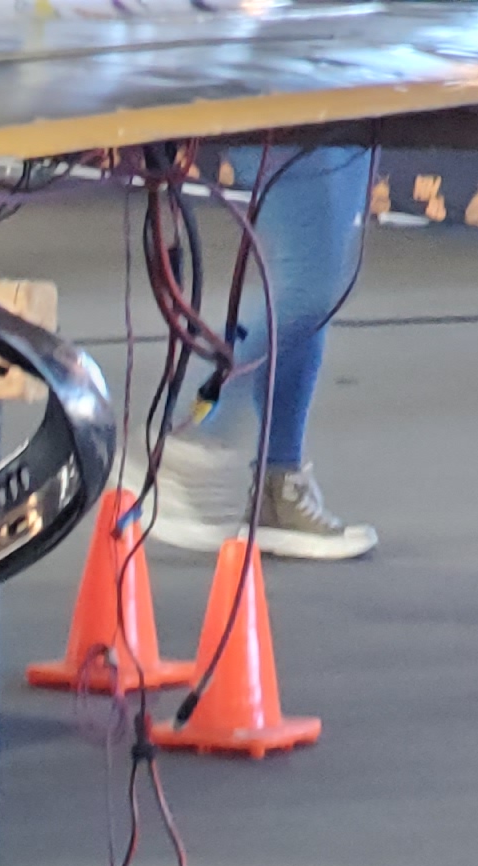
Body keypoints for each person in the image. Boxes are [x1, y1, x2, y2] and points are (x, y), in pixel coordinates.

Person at [150, 144, 380, 562]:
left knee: (316, 287)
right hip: (284, 97)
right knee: (310, 286)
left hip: (358, 98)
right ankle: (191, 446)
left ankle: (278, 484)